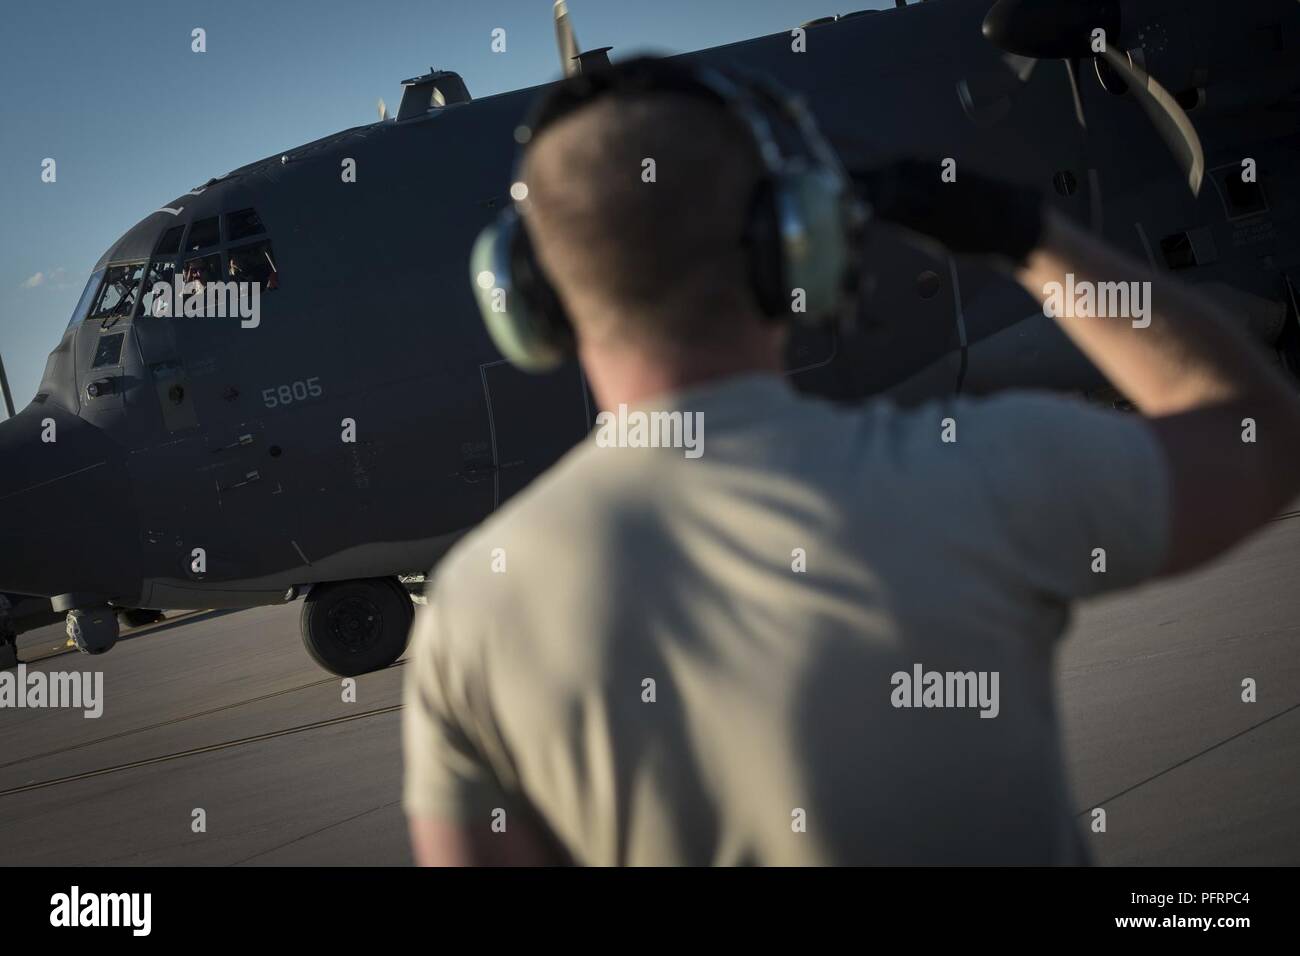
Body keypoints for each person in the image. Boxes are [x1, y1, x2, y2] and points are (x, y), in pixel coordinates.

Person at [402, 58, 1300, 865]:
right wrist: (1032, 237)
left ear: (527, 297)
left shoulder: (471, 611)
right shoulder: (978, 472)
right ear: (798, 242)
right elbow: (1256, 435)